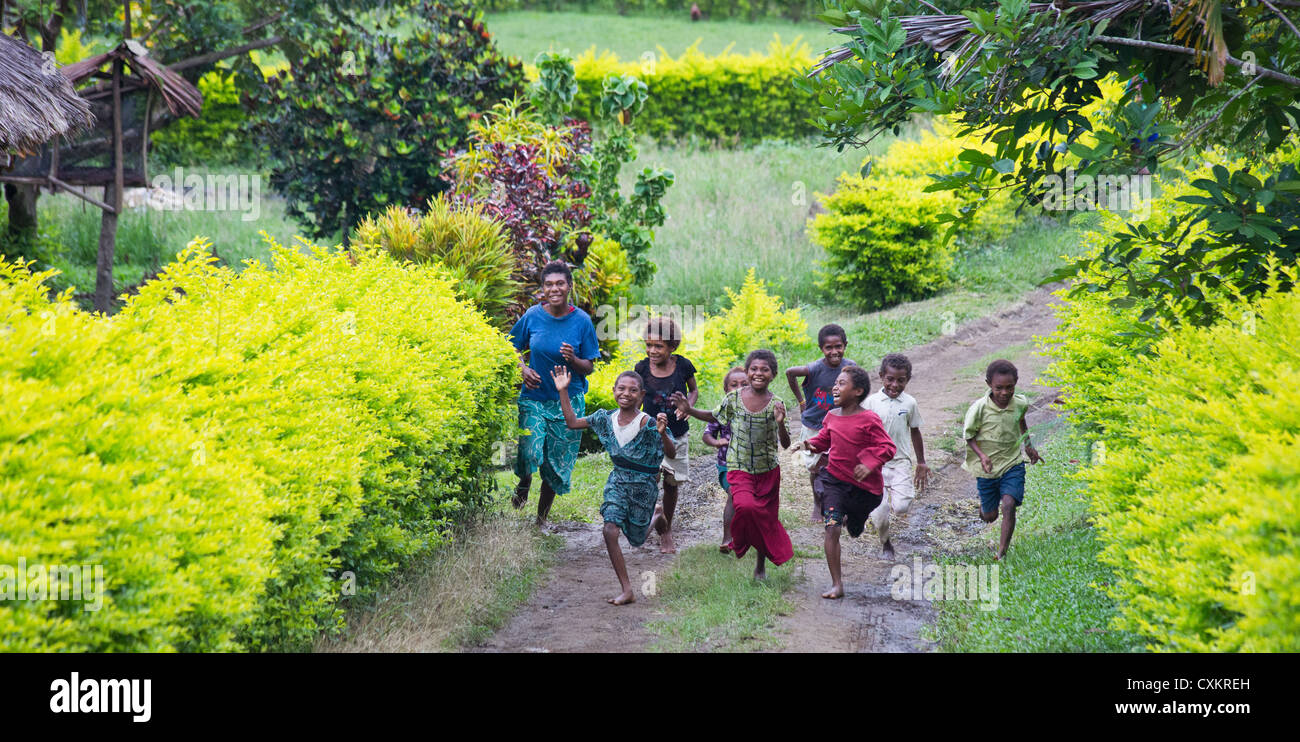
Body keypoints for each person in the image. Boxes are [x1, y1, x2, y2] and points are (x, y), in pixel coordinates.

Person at [553, 366, 675, 606]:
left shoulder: (649, 423)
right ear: (613, 391)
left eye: (632, 390)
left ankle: (658, 515)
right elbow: (572, 422)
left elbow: (671, 452)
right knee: (610, 529)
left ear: (641, 396)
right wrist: (563, 391)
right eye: (621, 388)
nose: (626, 393)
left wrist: (662, 434)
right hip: (618, 481)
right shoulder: (604, 418)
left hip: (644, 485)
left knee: (637, 539)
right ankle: (627, 589)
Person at [673, 350, 792, 579]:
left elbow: (785, 444)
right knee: (747, 507)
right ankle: (737, 539)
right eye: (754, 369)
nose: (758, 373)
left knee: (765, 517)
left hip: (768, 470)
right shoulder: (734, 399)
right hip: (738, 467)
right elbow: (713, 416)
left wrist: (780, 423)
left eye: (764, 369)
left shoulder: (776, 403)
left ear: (773, 374)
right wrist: (690, 410)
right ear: (748, 372)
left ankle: (760, 565)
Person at [508, 261, 601, 527]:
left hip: (567, 401)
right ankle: (524, 482)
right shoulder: (533, 316)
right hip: (534, 397)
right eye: (549, 284)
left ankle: (541, 520)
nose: (554, 288)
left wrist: (573, 359)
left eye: (560, 283)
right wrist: (523, 368)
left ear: (569, 286)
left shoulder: (581, 321)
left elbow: (589, 367)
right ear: (542, 288)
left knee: (555, 463)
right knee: (530, 450)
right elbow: (512, 347)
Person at [795, 366, 896, 599]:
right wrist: (807, 445)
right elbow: (823, 439)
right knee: (832, 527)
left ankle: (857, 520)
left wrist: (870, 463)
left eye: (841, 383)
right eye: (836, 383)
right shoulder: (831, 416)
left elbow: (888, 447)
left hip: (866, 490)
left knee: (854, 523)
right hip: (835, 482)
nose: (835, 387)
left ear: (858, 390)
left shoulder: (869, 419)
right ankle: (837, 584)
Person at [962, 359, 1044, 561]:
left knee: (1008, 504)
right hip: (987, 469)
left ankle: (1002, 552)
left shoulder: (1020, 403)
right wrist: (982, 456)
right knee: (990, 516)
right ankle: (985, 507)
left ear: (1016, 383)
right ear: (989, 384)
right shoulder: (979, 409)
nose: (1005, 393)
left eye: (1010, 387)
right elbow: (969, 436)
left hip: (1012, 463)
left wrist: (1028, 445)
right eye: (999, 388)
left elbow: (1021, 420)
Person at [634, 316, 698, 554]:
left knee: (671, 484)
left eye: (658, 346)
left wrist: (688, 407)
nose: (652, 350)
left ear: (672, 346)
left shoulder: (682, 365)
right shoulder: (641, 368)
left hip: (677, 435)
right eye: (648, 345)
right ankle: (656, 518)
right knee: (650, 480)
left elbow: (693, 390)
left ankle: (666, 529)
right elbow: (637, 398)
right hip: (650, 435)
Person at [786, 324, 856, 523]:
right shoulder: (815, 368)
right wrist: (801, 401)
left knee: (841, 466)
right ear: (821, 348)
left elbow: (858, 389)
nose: (834, 351)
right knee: (815, 467)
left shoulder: (851, 367)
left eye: (838, 346)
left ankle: (840, 507)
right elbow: (790, 372)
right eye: (828, 348)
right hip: (814, 425)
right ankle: (818, 504)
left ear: (845, 345)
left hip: (840, 426)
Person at [863, 354, 930, 560]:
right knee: (881, 513)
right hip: (875, 465)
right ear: (881, 376)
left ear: (907, 380)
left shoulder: (909, 403)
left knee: (901, 507)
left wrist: (921, 461)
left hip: (900, 461)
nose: (895, 384)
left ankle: (879, 512)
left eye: (901, 380)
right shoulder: (870, 402)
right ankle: (886, 543)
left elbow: (915, 431)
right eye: (890, 379)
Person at [703, 367, 747, 553]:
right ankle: (727, 538)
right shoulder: (722, 411)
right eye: (733, 385)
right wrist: (717, 442)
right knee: (734, 494)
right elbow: (706, 435)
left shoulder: (759, 409)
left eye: (745, 384)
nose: (739, 389)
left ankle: (746, 536)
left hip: (753, 467)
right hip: (726, 466)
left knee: (747, 503)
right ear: (726, 390)